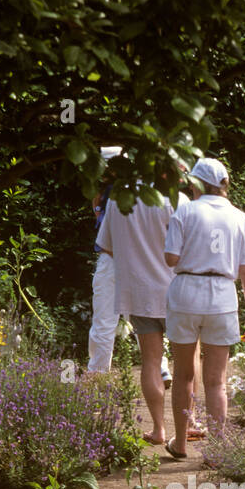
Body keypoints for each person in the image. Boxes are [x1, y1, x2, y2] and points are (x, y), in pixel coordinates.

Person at [161, 157, 245, 459]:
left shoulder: (185, 211)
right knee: (217, 380)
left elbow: (171, 259)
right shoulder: (242, 218)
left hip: (187, 293)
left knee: (183, 374)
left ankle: (180, 443)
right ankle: (217, 451)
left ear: (196, 183)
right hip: (222, 297)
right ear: (225, 185)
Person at [94, 174, 178, 445]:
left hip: (142, 292)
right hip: (178, 290)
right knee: (187, 362)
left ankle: (158, 429)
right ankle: (189, 424)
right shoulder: (172, 201)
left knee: (150, 361)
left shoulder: (118, 203)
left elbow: (106, 247)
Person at [88, 149, 172, 391]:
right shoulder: (144, 191)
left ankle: (98, 374)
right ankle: (161, 367)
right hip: (141, 261)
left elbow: (106, 239)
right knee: (145, 316)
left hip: (113, 258)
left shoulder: (108, 196)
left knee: (105, 318)